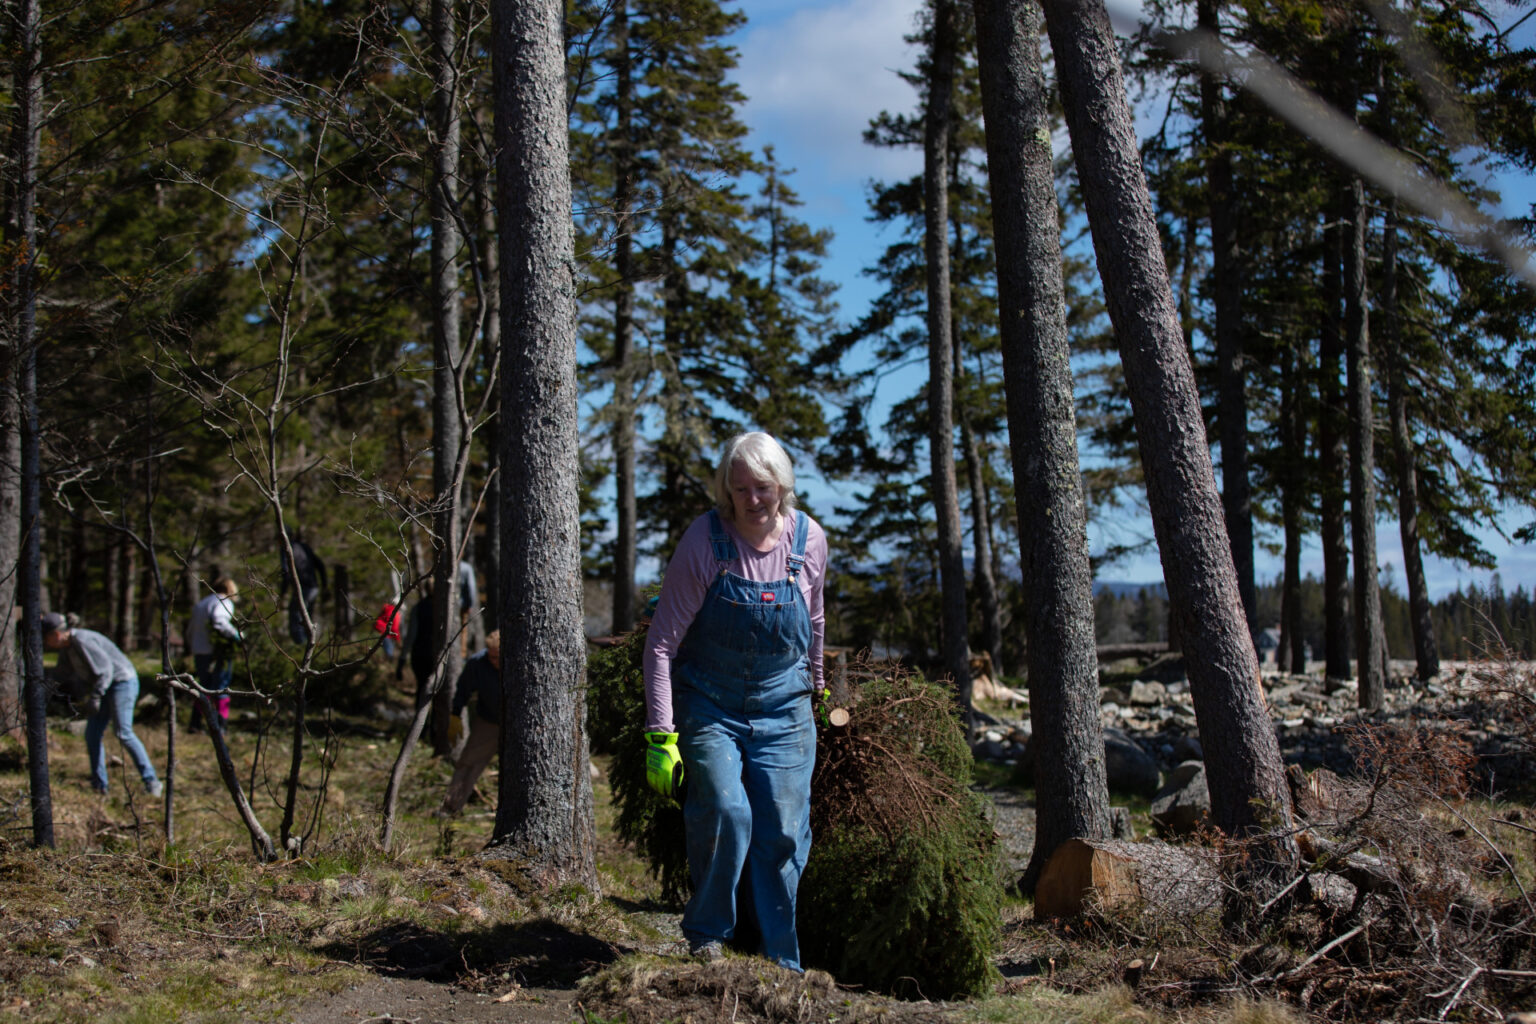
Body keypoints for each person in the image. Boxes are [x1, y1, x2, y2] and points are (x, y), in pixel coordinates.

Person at [642, 432, 828, 971]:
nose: (752, 500)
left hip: (785, 707)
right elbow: (661, 644)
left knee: (784, 832)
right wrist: (662, 734)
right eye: (740, 488)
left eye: (763, 487)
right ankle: (708, 937)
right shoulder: (705, 542)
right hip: (712, 705)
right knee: (726, 811)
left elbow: (814, 621)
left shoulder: (809, 541)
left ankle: (778, 958)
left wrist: (819, 689)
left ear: (782, 486)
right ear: (726, 490)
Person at [42, 611, 162, 798]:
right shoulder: (68, 648)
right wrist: (43, 690)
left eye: (45, 638)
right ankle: (100, 787)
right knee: (92, 735)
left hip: (122, 682)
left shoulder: (82, 641)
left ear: (56, 635)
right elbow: (60, 673)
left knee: (123, 732)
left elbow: (106, 670)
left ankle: (151, 781)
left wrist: (95, 697)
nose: (44, 643)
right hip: (104, 687)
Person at [438, 630, 502, 816]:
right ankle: (450, 807)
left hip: (518, 725)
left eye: (498, 658)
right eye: (491, 657)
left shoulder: (521, 661)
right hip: (488, 721)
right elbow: (463, 689)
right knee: (468, 763)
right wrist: (456, 714)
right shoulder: (477, 663)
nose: (494, 661)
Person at [187, 577, 242, 734]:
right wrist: (238, 635)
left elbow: (190, 630)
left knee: (203, 688)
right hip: (217, 652)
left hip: (200, 650)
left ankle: (195, 724)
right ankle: (220, 725)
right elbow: (219, 621)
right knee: (221, 688)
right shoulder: (223, 602)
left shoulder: (202, 603)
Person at [279, 531, 326, 644]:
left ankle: (300, 645)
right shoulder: (303, 547)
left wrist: (283, 593)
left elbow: (286, 572)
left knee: (296, 616)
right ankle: (309, 642)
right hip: (314, 587)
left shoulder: (286, 549)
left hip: (302, 589)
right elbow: (320, 565)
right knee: (307, 617)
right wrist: (324, 585)